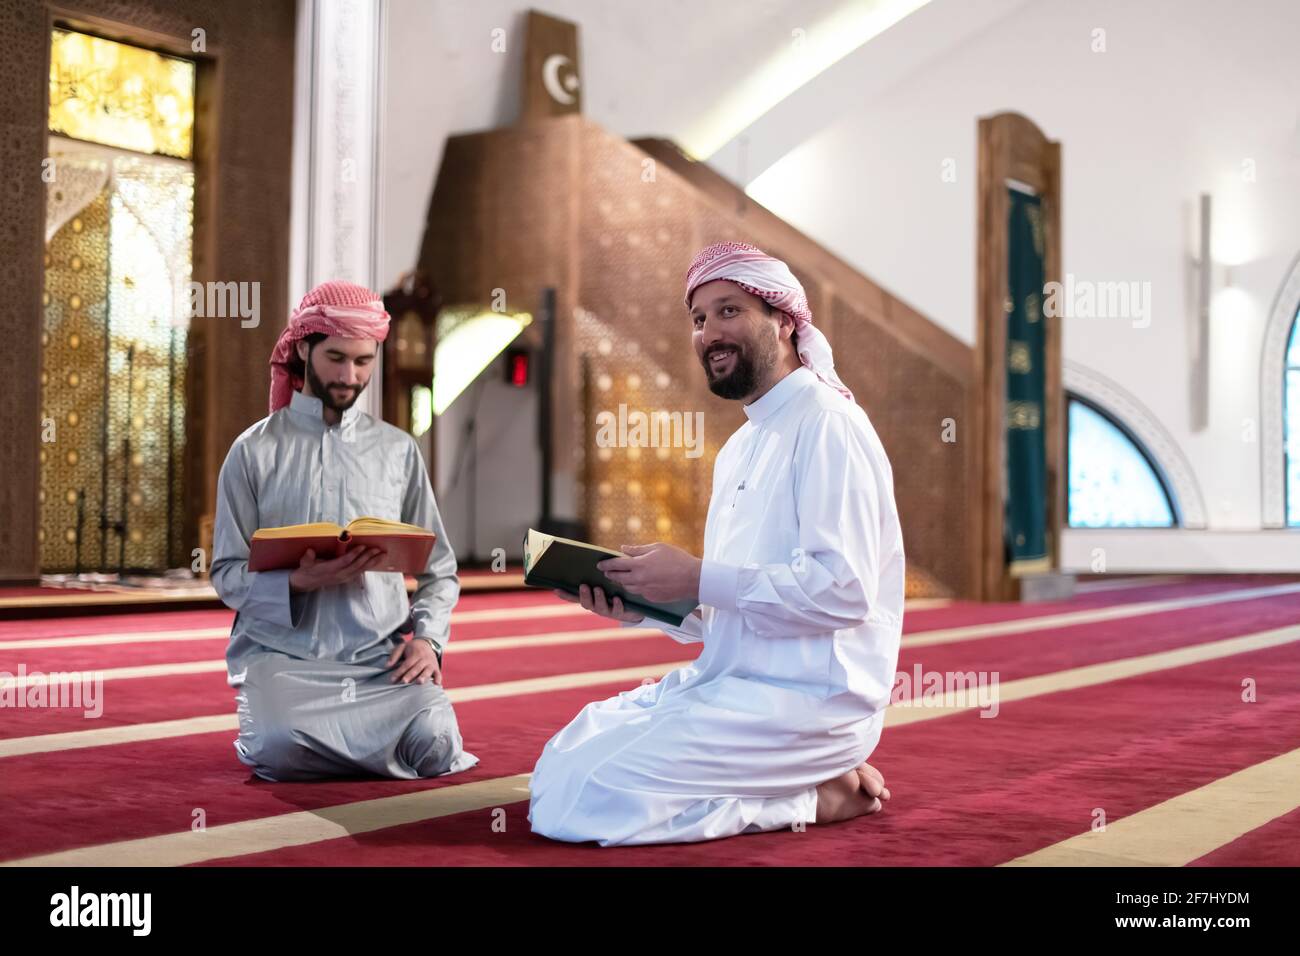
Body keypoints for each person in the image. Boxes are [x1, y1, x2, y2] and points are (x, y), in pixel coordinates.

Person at [528, 241, 904, 845]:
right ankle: (797, 782)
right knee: (564, 759)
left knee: (584, 799)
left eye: (730, 311)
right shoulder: (738, 449)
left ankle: (810, 795)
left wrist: (698, 577)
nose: (709, 333)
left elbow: (844, 591)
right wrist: (648, 605)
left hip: (811, 703)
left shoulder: (828, 425)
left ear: (784, 321)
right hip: (733, 684)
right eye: (699, 319)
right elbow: (738, 607)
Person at [210, 279, 477, 782]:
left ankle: (343, 749)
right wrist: (296, 582)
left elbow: (440, 570)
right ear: (302, 348)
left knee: (437, 743)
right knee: (279, 745)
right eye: (335, 357)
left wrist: (427, 641)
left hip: (380, 661)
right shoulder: (253, 451)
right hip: (284, 659)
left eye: (363, 361)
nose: (349, 376)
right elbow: (226, 573)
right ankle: (345, 747)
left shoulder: (398, 451)